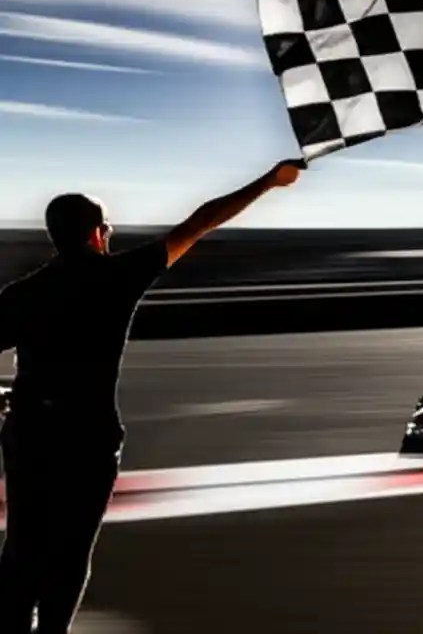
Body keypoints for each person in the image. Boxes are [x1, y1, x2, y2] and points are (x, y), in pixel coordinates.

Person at [0, 158, 306, 633]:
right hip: (88, 440)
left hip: (30, 434)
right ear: (97, 235)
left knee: (21, 547)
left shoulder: (25, 293)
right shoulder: (117, 277)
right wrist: (271, 180)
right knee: (71, 549)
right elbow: (202, 221)